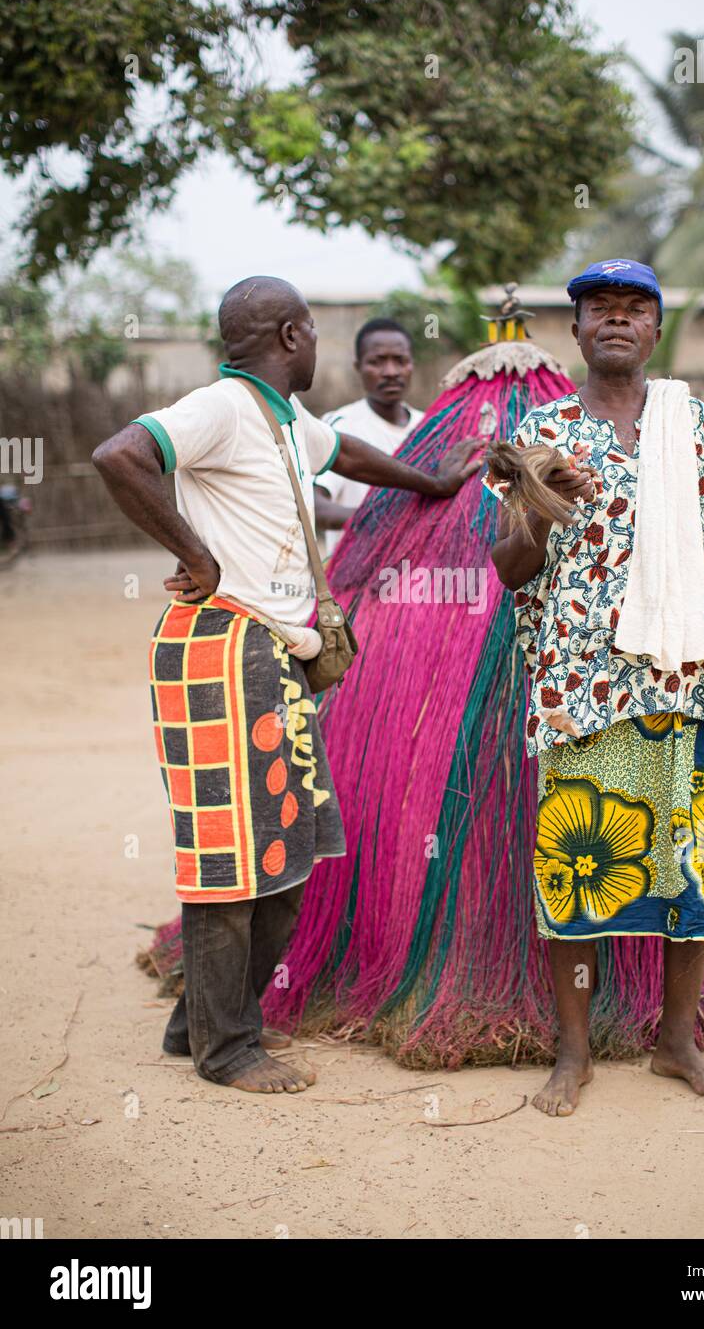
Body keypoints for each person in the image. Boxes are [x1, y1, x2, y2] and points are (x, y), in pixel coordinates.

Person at [92, 275, 481, 1095]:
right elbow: (120, 455)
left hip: (267, 656)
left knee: (289, 846)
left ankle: (196, 1021)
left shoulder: (280, 420)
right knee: (236, 855)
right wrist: (197, 555)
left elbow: (348, 455)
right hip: (223, 648)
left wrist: (433, 483)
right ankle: (226, 1048)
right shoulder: (222, 408)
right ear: (295, 336)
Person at [486, 259, 704, 1115]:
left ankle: (677, 1043)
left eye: (634, 310)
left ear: (656, 329)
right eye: (599, 311)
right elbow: (508, 569)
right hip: (581, 690)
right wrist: (546, 500)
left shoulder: (691, 424)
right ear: (576, 331)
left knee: (694, 867)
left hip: (691, 679)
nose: (616, 322)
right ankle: (574, 1053)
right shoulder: (540, 433)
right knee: (578, 869)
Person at [314, 317, 424, 556]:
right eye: (376, 362)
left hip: (420, 584)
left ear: (412, 365)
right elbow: (315, 506)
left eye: (400, 361)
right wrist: (389, 522)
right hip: (356, 585)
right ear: (358, 367)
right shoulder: (341, 426)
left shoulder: (431, 428)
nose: (391, 372)